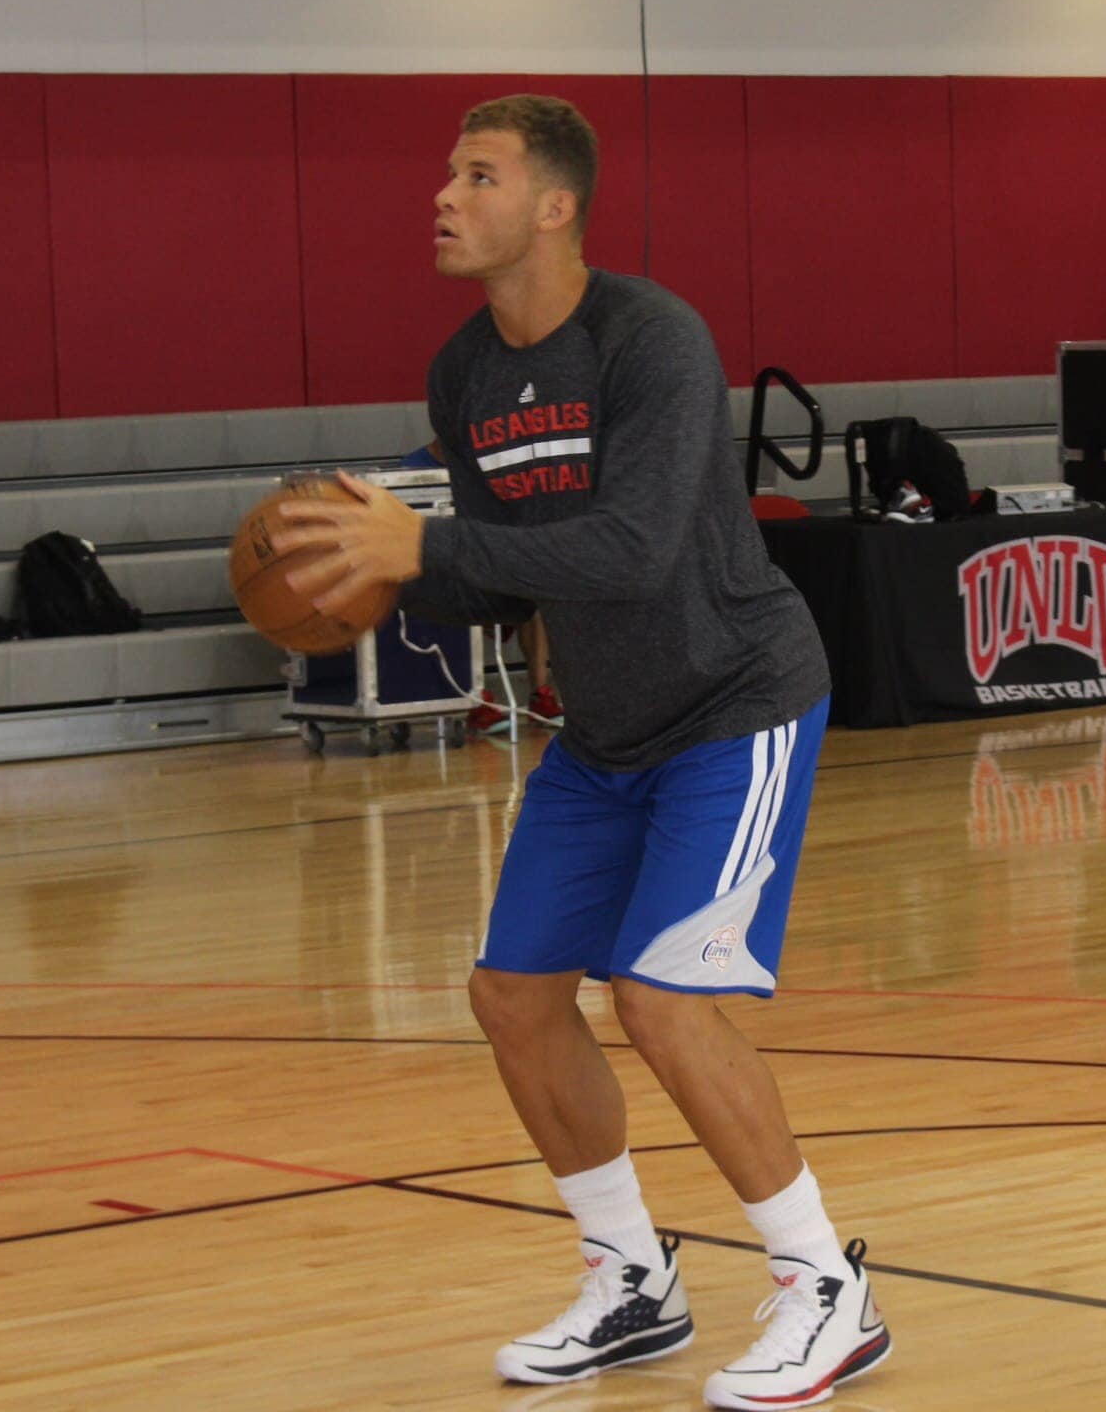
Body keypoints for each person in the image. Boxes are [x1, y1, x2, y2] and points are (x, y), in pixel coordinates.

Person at [271, 95, 889, 1410]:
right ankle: (630, 1282)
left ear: (554, 206)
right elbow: (514, 584)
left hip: (735, 706)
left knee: (665, 998)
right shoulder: (465, 373)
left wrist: (420, 547)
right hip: (604, 731)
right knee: (515, 995)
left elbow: (634, 549)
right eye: (447, 172)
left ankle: (826, 1289)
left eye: (477, 175)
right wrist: (373, 582)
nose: (443, 195)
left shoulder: (651, 341)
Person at [401, 436, 563, 729]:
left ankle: (540, 693)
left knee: (536, 587)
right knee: (454, 592)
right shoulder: (411, 470)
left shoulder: (484, 469)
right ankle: (473, 696)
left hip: (490, 564)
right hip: (447, 575)